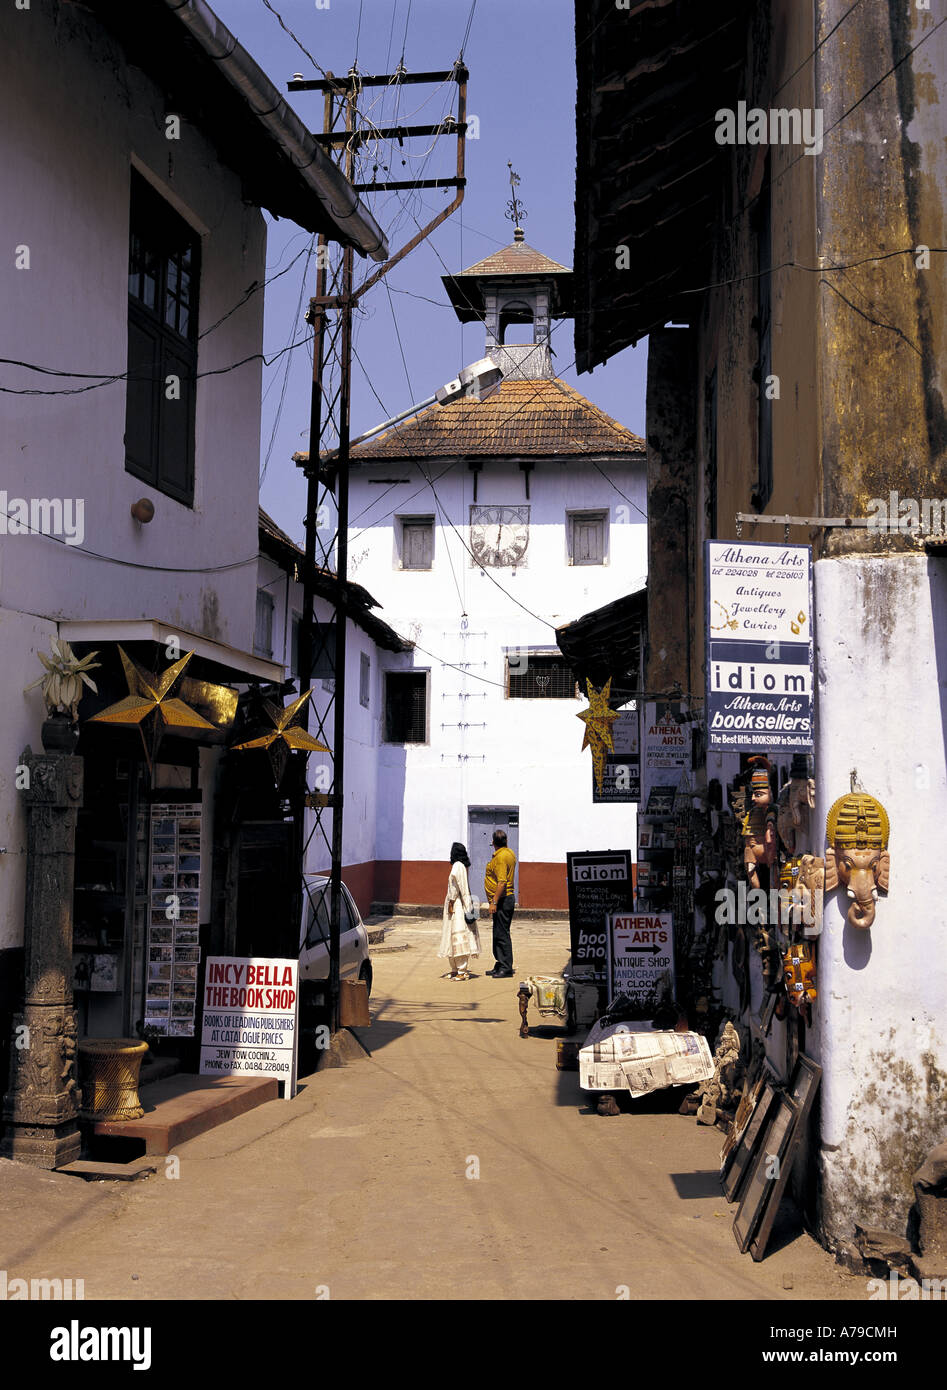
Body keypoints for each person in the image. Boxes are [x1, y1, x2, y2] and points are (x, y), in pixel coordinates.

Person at [437, 842, 480, 981]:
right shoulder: (462, 866)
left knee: (458, 935)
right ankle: (455, 969)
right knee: (452, 935)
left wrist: (451, 901)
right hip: (456, 904)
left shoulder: (457, 866)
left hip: (456, 905)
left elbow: (456, 887)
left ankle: (462, 970)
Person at [484, 829, 517, 977]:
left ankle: (506, 967)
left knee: (502, 934)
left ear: (493, 843)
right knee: (497, 933)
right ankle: (499, 963)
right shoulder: (508, 853)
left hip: (503, 900)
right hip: (504, 899)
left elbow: (502, 882)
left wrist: (494, 902)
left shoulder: (501, 857)